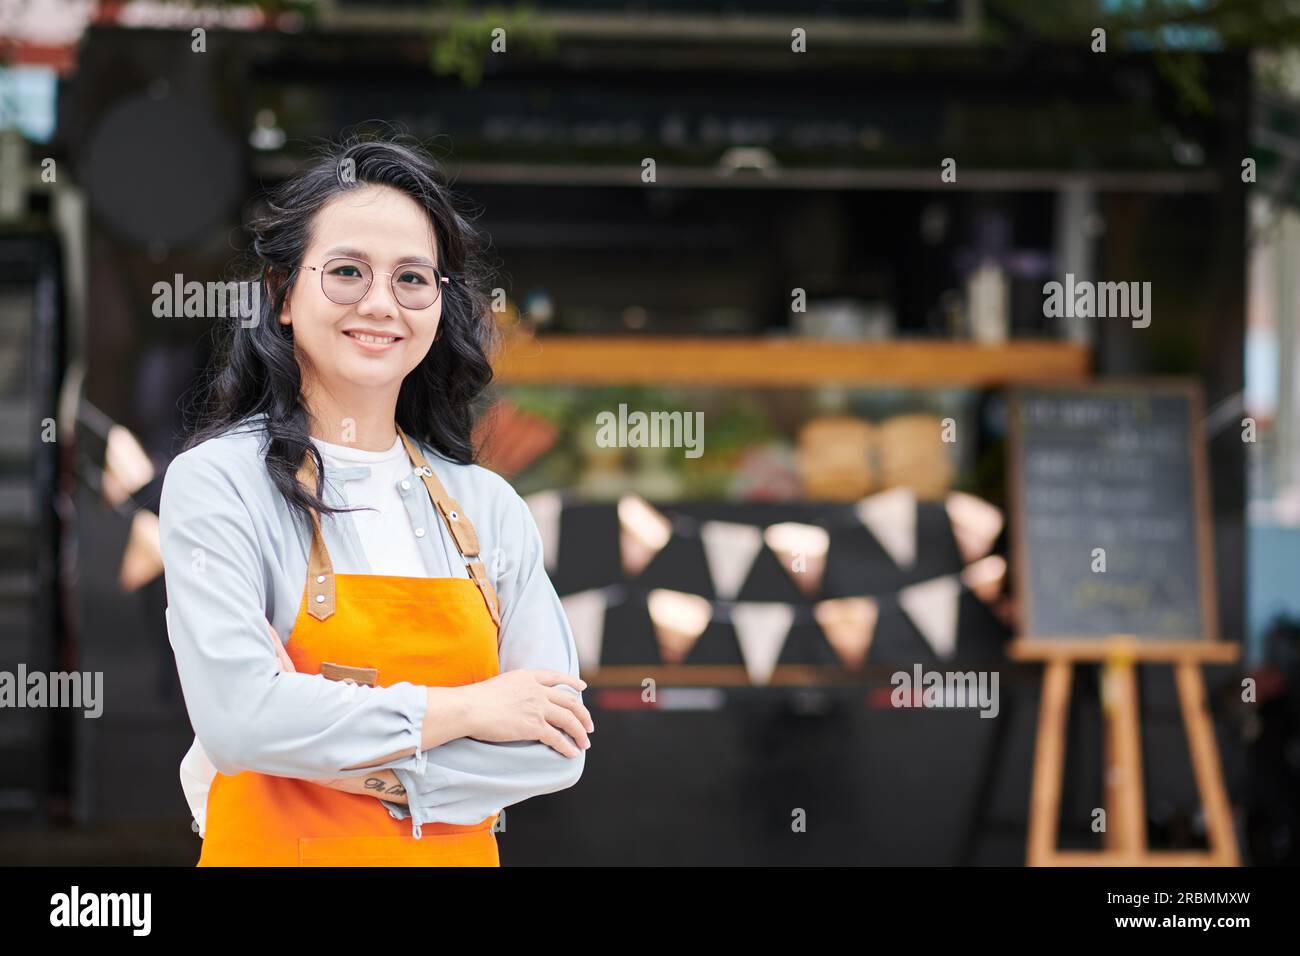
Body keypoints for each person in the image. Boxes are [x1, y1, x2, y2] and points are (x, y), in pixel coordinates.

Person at [159, 130, 592, 867]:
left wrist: (310, 742)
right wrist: (465, 710)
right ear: (283, 293)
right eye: (348, 272)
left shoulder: (488, 507)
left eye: (412, 278)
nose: (381, 303)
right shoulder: (220, 484)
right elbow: (238, 723)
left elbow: (554, 751)